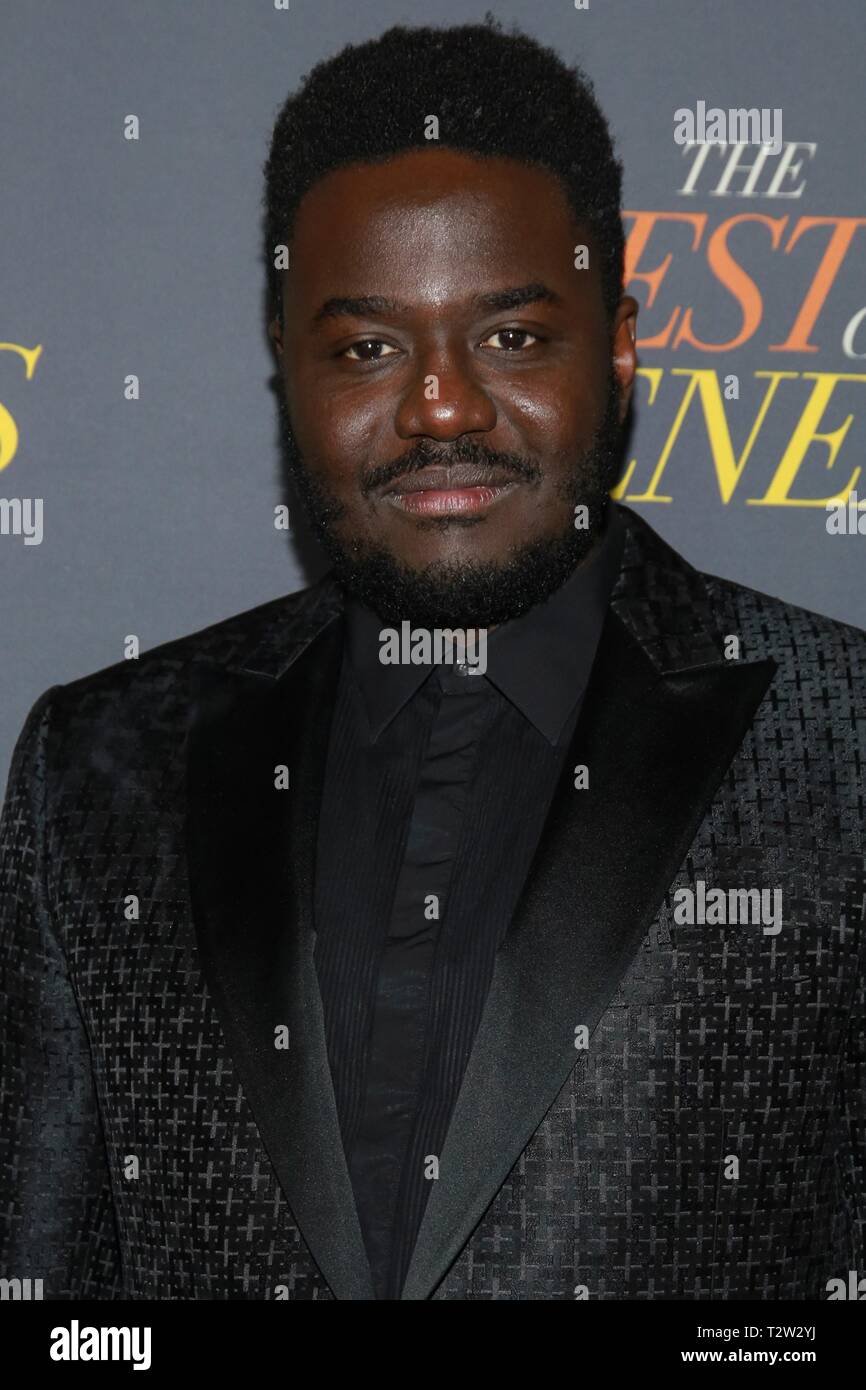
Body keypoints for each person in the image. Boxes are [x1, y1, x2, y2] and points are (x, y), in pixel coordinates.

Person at [1, 19, 864, 1302]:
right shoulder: (101, 764)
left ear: (619, 347)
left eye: (511, 337)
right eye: (366, 346)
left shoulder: (841, 742)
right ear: (285, 366)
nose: (442, 406)